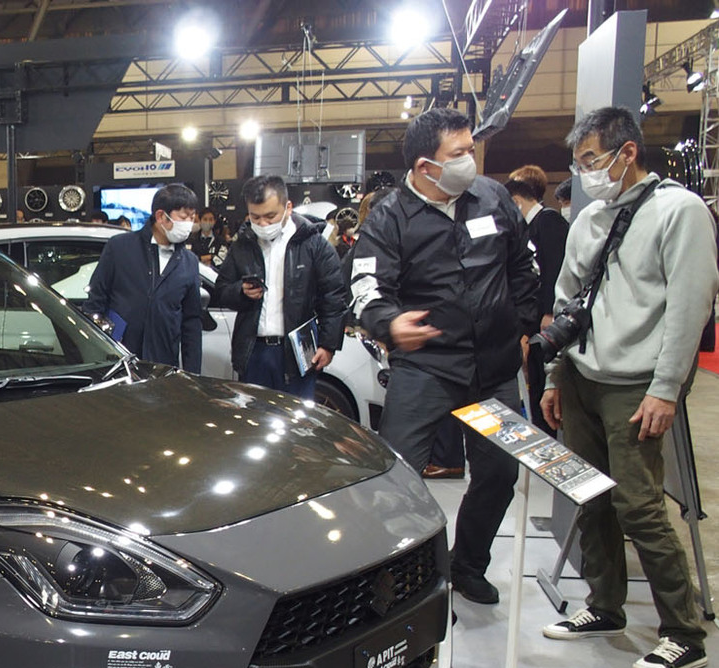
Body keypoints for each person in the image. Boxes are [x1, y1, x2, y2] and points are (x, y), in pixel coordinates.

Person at [539, 106, 718, 668]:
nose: (586, 171)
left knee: (638, 505)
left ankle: (683, 631)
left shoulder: (679, 212)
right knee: (589, 498)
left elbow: (689, 308)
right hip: (581, 376)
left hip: (637, 383)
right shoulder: (588, 220)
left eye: (592, 159)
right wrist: (553, 377)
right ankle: (604, 606)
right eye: (581, 161)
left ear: (627, 152)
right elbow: (567, 303)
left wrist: (666, 389)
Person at [349, 107, 540, 604]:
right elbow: (366, 287)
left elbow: (523, 265)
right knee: (397, 479)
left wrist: (520, 326)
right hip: (427, 369)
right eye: (458, 155)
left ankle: (468, 564)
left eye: (470, 150)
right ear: (424, 168)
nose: (469, 161)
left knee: (500, 473)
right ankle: (401, 583)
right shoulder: (389, 217)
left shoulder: (492, 198)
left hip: (494, 371)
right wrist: (389, 323)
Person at [214, 175, 347, 399]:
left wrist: (328, 344)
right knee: (254, 419)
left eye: (270, 216)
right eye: (255, 217)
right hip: (253, 350)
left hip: (298, 350)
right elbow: (221, 290)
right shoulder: (243, 244)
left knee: (296, 421)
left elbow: (334, 296)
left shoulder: (313, 244)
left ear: (288, 207)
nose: (263, 224)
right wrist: (241, 292)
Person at [82, 182, 204, 373]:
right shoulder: (120, 247)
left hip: (163, 361)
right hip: (119, 358)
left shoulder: (189, 262)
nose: (189, 223)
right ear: (161, 216)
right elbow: (96, 299)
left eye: (192, 217)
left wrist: (192, 371)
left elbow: (191, 321)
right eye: (184, 217)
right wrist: (95, 352)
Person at [505, 164, 569, 435]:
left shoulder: (549, 222)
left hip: (548, 319)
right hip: (532, 321)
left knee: (544, 379)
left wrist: (548, 312)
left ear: (516, 202)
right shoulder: (528, 229)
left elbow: (555, 269)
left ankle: (548, 433)